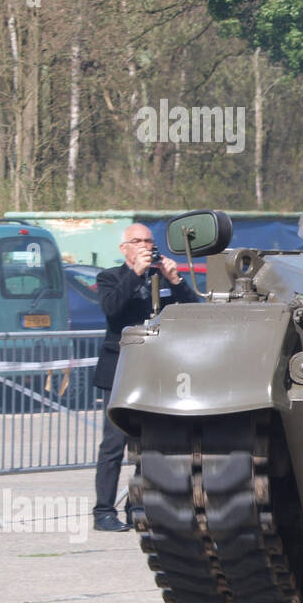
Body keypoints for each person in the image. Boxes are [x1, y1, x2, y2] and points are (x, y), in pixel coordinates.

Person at [91, 224, 198, 531]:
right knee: (113, 446)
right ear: (124, 248)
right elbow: (112, 309)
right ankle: (103, 511)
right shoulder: (111, 277)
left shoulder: (160, 277)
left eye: (148, 241)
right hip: (120, 370)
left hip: (155, 371)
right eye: (136, 241)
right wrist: (134, 273)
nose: (144, 246)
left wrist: (176, 281)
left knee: (148, 446)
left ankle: (136, 507)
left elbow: (194, 312)